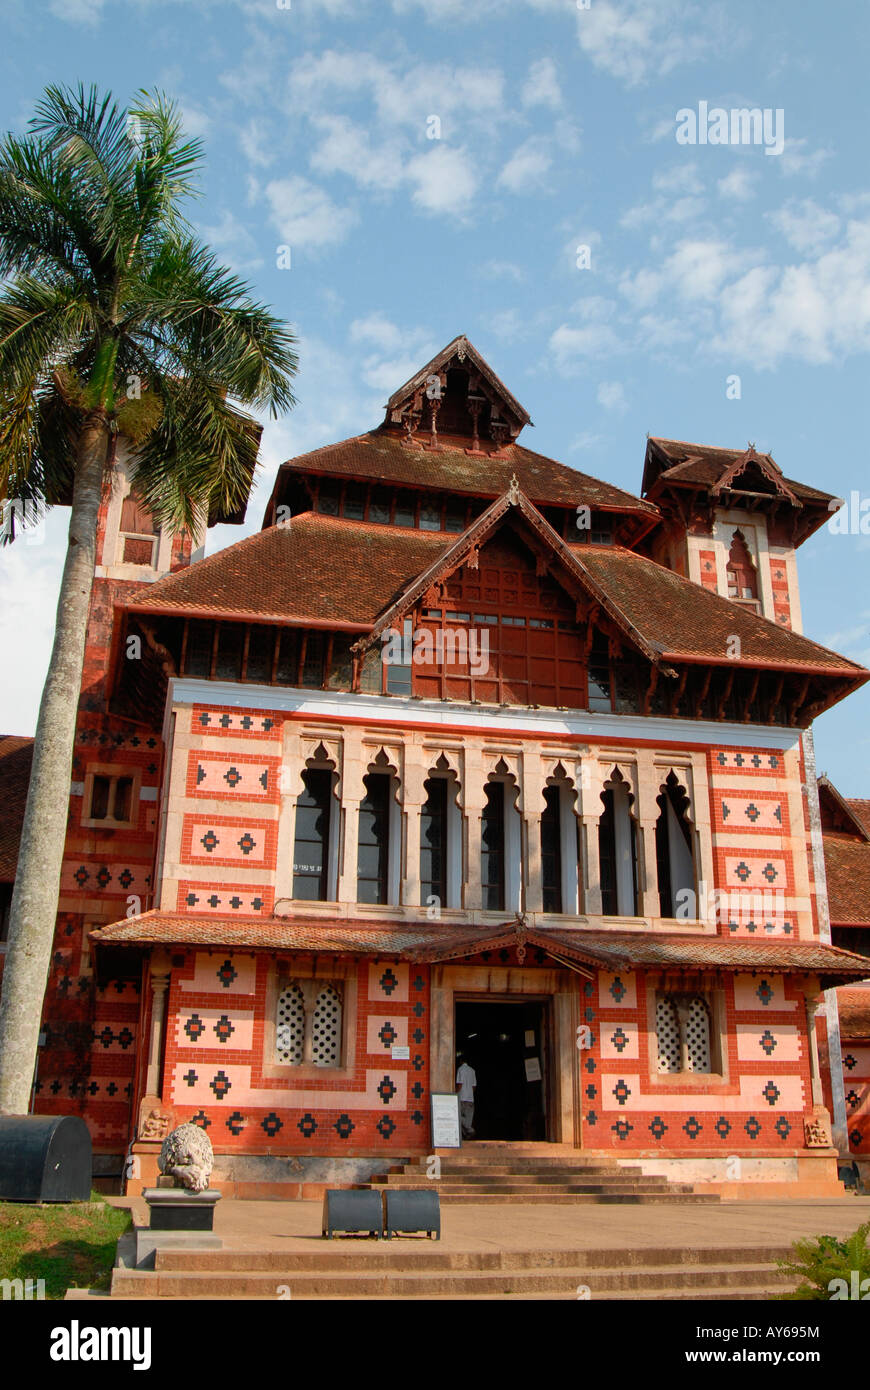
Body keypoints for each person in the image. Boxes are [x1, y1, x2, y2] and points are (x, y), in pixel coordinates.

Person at [455, 1054, 477, 1138]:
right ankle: (467, 1133)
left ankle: (468, 1130)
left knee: (457, 1116)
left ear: (461, 1061)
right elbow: (474, 1086)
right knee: (468, 1118)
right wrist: (470, 1093)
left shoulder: (460, 1069)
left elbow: (459, 1084)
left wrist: (455, 1093)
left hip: (461, 1097)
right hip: (470, 1098)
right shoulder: (472, 1071)